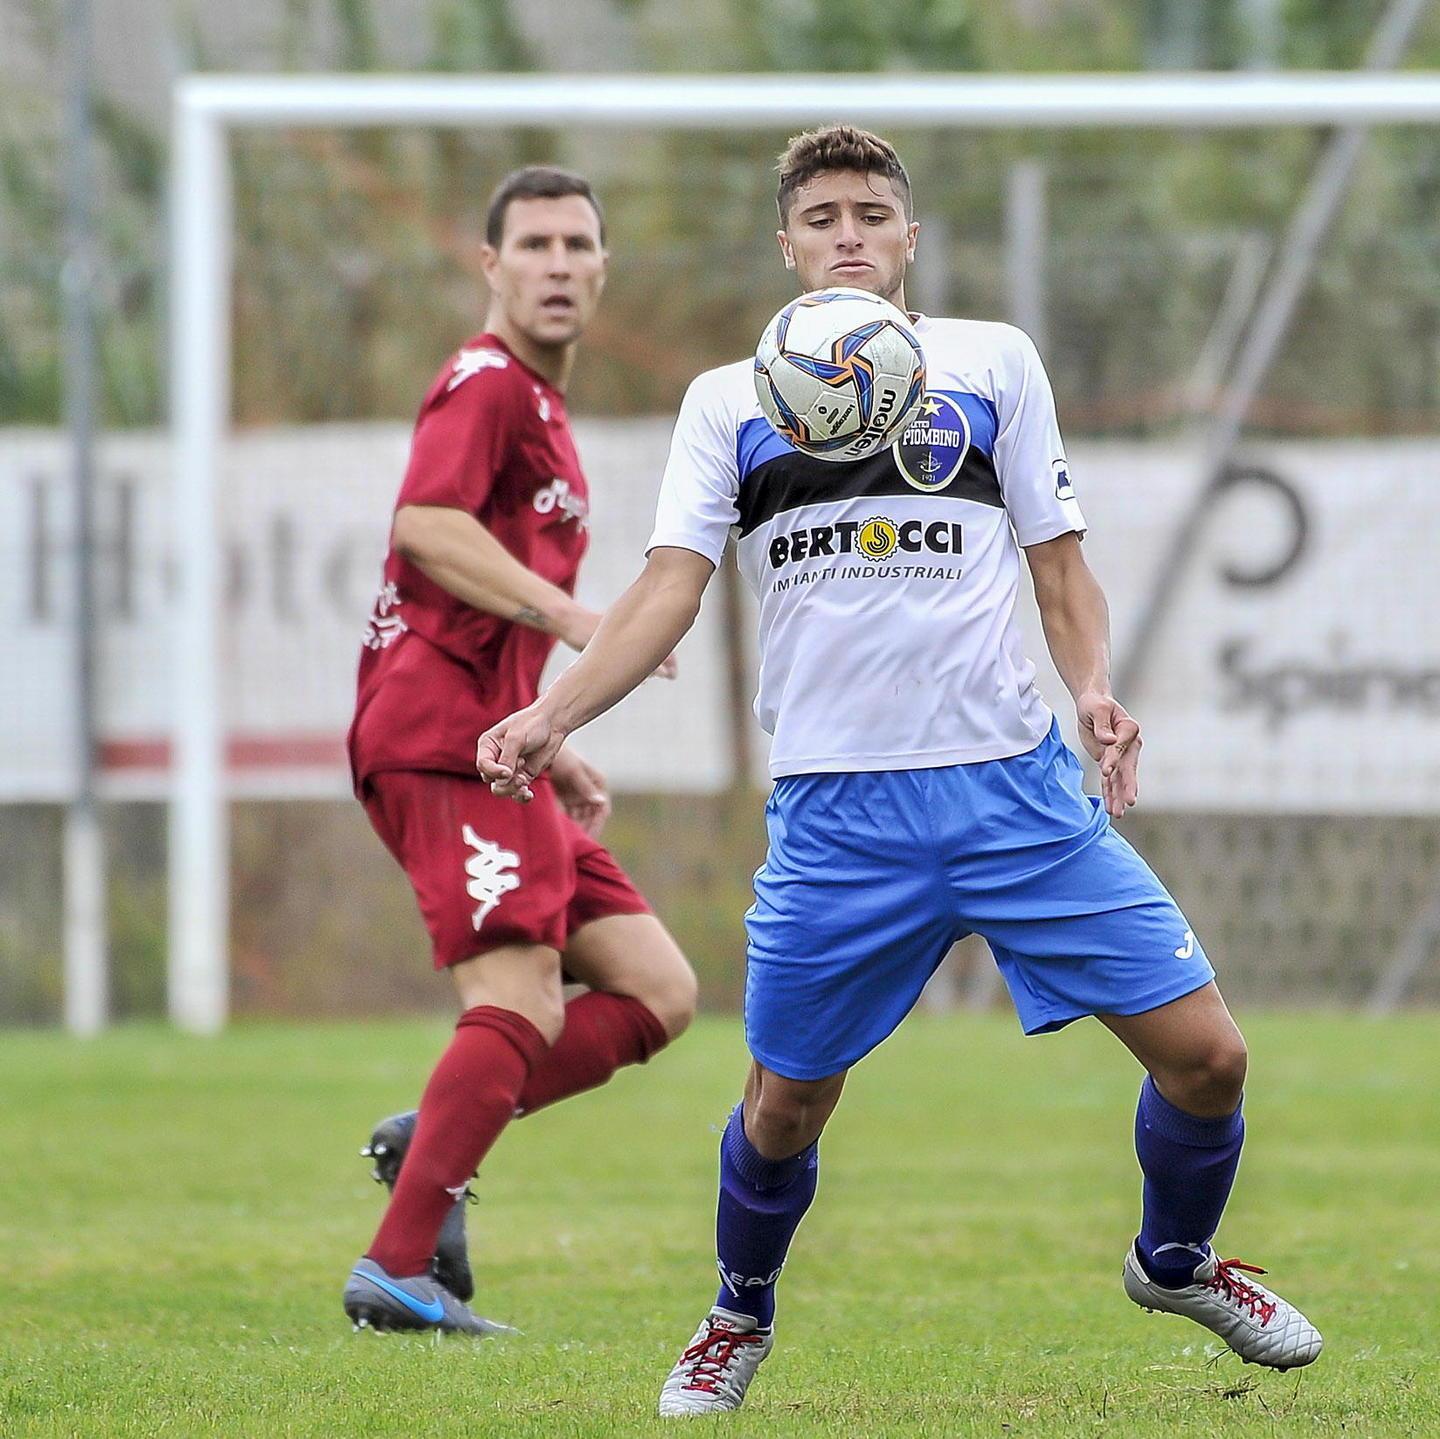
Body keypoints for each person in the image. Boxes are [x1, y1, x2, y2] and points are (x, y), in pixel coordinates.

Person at [478, 126, 1324, 1407]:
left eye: (872, 214)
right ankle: (737, 1310)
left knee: (1211, 1057)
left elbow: (1058, 565)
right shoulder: (731, 399)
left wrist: (1093, 687)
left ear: (910, 237)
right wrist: (555, 714)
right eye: (822, 218)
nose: (849, 235)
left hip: (1013, 792)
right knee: (782, 1107)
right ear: (787, 244)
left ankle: (1176, 1258)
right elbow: (667, 587)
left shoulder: (992, 362)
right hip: (840, 811)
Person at [342, 165, 697, 1335]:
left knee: (658, 987)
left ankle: (441, 1132)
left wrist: (553, 733)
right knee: (521, 995)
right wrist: (577, 620)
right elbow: (425, 524)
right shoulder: (486, 382)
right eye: (534, 244)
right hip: (438, 738)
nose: (557, 264)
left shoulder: (542, 408)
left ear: (603, 269)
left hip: (497, 741)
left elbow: (484, 591)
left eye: (576, 244)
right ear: (490, 266)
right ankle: (399, 1267)